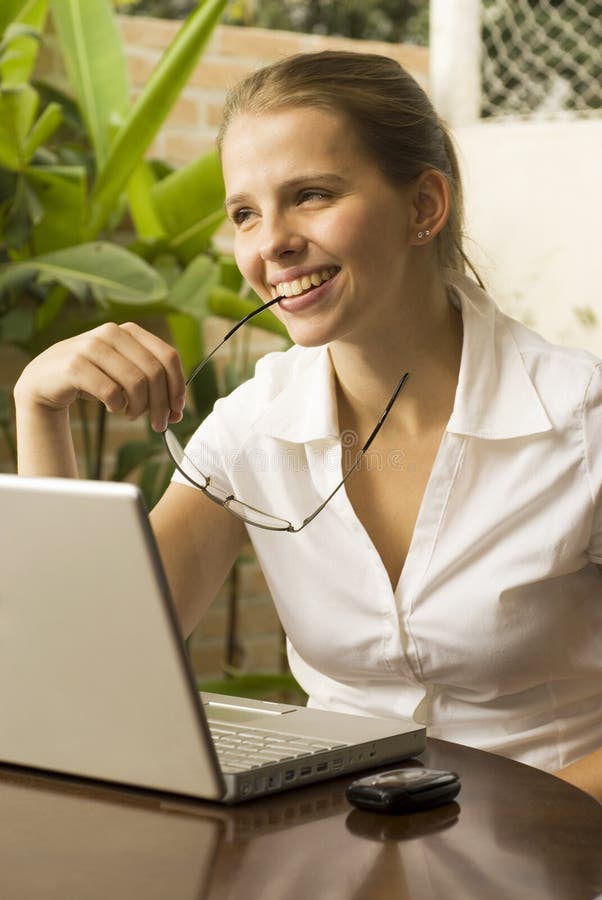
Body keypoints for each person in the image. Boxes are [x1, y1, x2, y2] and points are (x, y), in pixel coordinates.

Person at [13, 51, 602, 800]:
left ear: (424, 206)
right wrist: (39, 406)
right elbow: (90, 666)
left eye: (312, 196)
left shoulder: (582, 422)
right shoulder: (254, 426)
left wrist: (513, 840)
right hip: (336, 851)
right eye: (245, 214)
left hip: (554, 854)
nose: (271, 244)